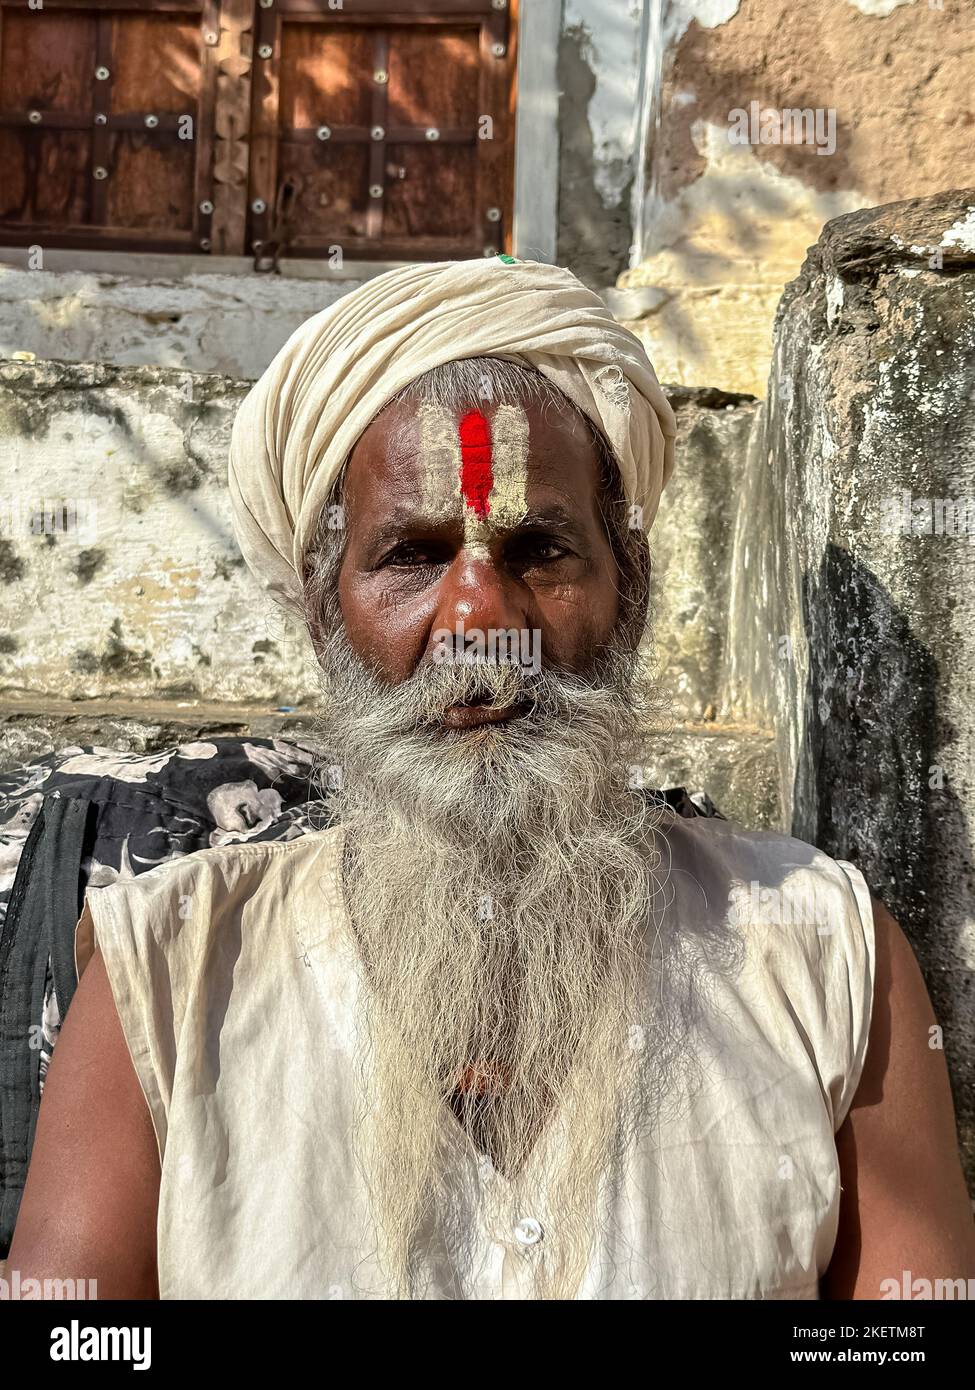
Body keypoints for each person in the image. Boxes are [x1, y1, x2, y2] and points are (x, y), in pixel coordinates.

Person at [9, 258, 974, 1300]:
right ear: (327, 615)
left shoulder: (823, 953)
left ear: (629, 589)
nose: (480, 620)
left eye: (540, 549)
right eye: (416, 556)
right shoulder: (167, 976)